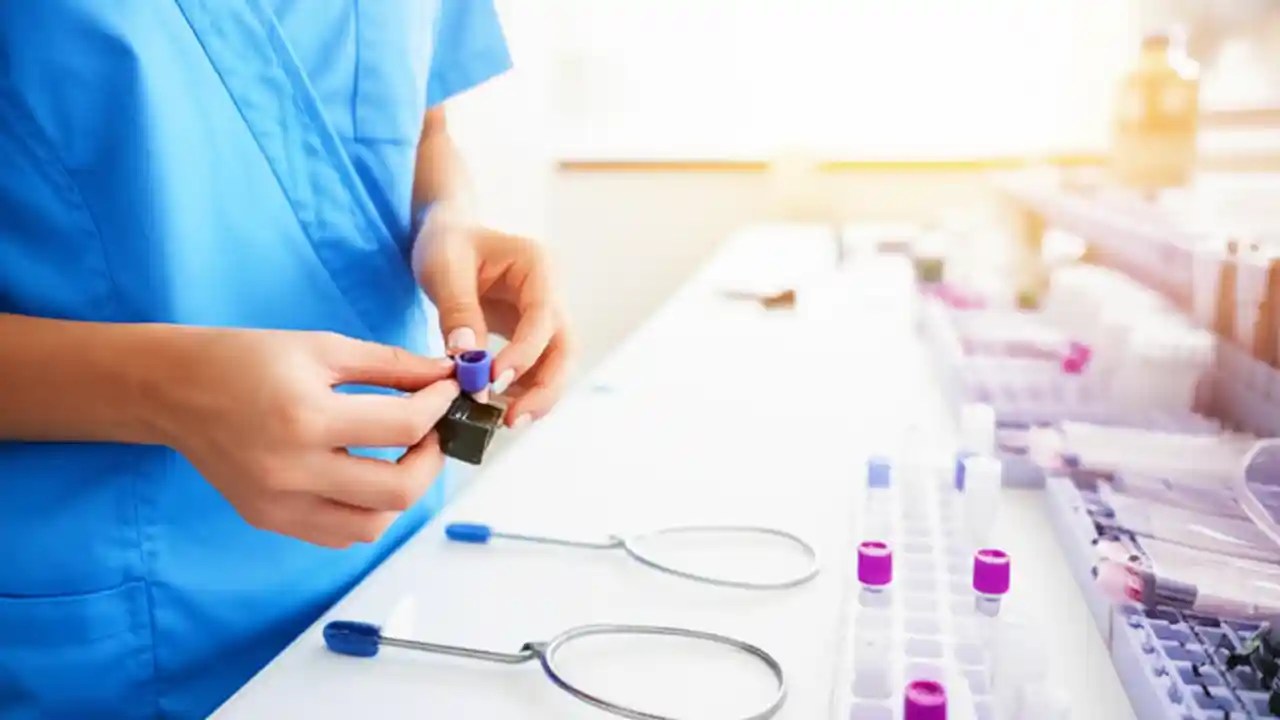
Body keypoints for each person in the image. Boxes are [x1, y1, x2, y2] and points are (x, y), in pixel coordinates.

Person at [0, 2, 573, 717]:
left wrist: (445, 221)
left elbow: (424, 126)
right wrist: (164, 388)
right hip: (111, 627)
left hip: (396, 577)